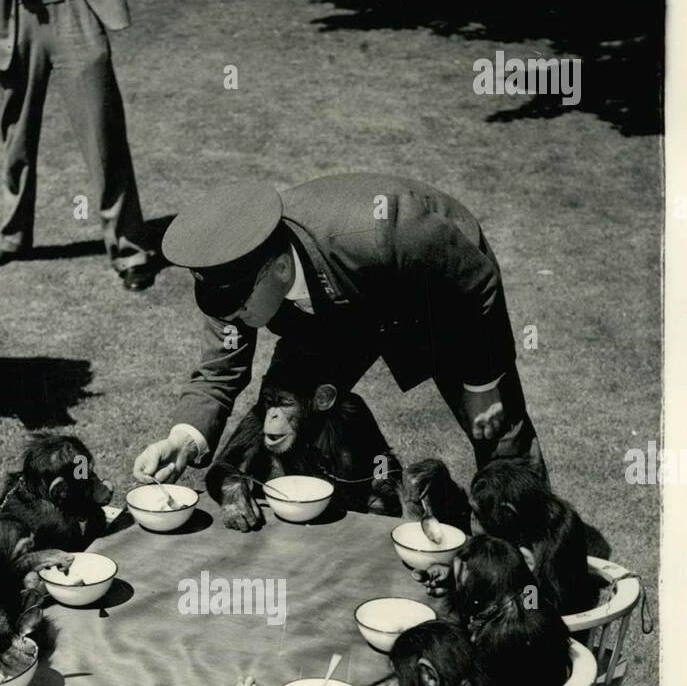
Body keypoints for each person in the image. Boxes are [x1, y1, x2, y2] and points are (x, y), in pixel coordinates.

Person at [133, 174, 546, 484]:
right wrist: (183, 440)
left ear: (278, 268)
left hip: (433, 294)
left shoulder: (384, 231)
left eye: (242, 308)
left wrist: (483, 380)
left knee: (496, 430)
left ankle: (531, 565)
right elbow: (219, 371)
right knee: (291, 416)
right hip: (329, 313)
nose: (235, 320)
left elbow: (475, 283)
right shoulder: (229, 275)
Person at [0, 0, 156, 291]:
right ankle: (13, 236)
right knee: (16, 138)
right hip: (19, 11)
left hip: (75, 4)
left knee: (103, 139)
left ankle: (130, 251)